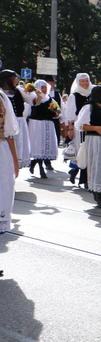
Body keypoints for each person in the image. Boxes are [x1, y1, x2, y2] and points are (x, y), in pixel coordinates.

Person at [74, 85, 101, 209]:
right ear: (99, 95)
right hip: (95, 141)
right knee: (97, 165)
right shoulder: (89, 107)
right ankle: (97, 193)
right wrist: (94, 128)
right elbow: (80, 125)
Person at [63, 73, 93, 185]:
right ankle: (75, 171)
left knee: (89, 151)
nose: (85, 83)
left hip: (91, 127)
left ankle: (83, 176)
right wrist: (70, 129)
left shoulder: (93, 93)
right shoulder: (73, 96)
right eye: (82, 81)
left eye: (86, 81)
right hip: (78, 127)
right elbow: (70, 114)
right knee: (79, 150)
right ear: (78, 83)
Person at [27, 80, 59, 178]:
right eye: (42, 88)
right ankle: (40, 169)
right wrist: (39, 95)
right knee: (38, 145)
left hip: (48, 124)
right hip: (37, 124)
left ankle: (34, 164)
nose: (44, 90)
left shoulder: (50, 99)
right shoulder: (33, 98)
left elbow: (57, 112)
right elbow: (36, 104)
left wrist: (56, 112)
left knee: (45, 147)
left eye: (45, 88)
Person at [0, 80, 19, 237]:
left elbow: (9, 133)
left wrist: (15, 159)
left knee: (4, 182)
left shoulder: (2, 98)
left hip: (1, 147)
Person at [0, 71, 30, 169]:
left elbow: (34, 102)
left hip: (19, 122)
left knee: (20, 144)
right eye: (13, 79)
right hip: (6, 125)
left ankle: (17, 162)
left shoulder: (19, 91)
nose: (16, 81)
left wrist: (34, 92)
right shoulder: (1, 94)